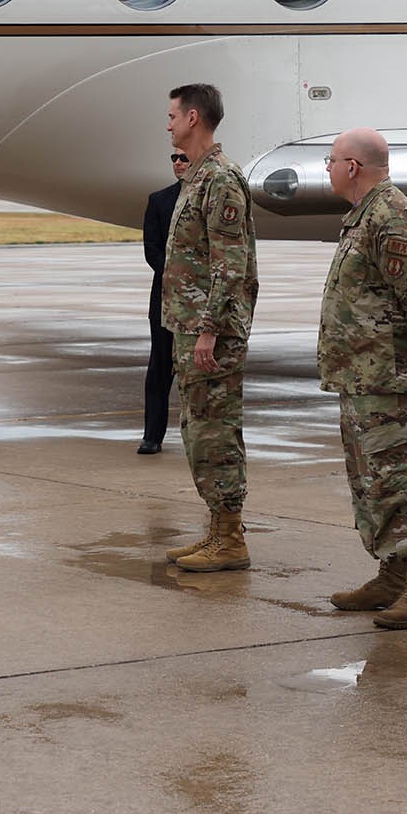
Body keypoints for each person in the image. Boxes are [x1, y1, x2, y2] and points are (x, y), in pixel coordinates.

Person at [318, 128, 407, 628]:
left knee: (396, 480)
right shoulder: (365, 215)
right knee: (371, 481)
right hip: (363, 374)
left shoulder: (389, 215)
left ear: (353, 166)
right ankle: (394, 575)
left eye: (331, 161)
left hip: (390, 378)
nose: (328, 169)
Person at [159, 84, 260, 572]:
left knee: (216, 434)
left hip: (210, 333)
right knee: (198, 432)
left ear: (193, 118)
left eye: (173, 115)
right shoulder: (196, 179)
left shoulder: (220, 180)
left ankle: (230, 537)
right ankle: (218, 529)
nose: (168, 123)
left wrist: (209, 330)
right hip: (189, 327)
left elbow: (229, 263)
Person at [138, 149, 190, 454]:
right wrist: (179, 276)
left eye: (184, 158)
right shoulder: (159, 201)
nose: (179, 163)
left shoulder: (208, 198)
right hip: (165, 297)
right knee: (160, 365)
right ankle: (151, 436)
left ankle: (199, 436)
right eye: (173, 158)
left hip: (201, 301)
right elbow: (152, 250)